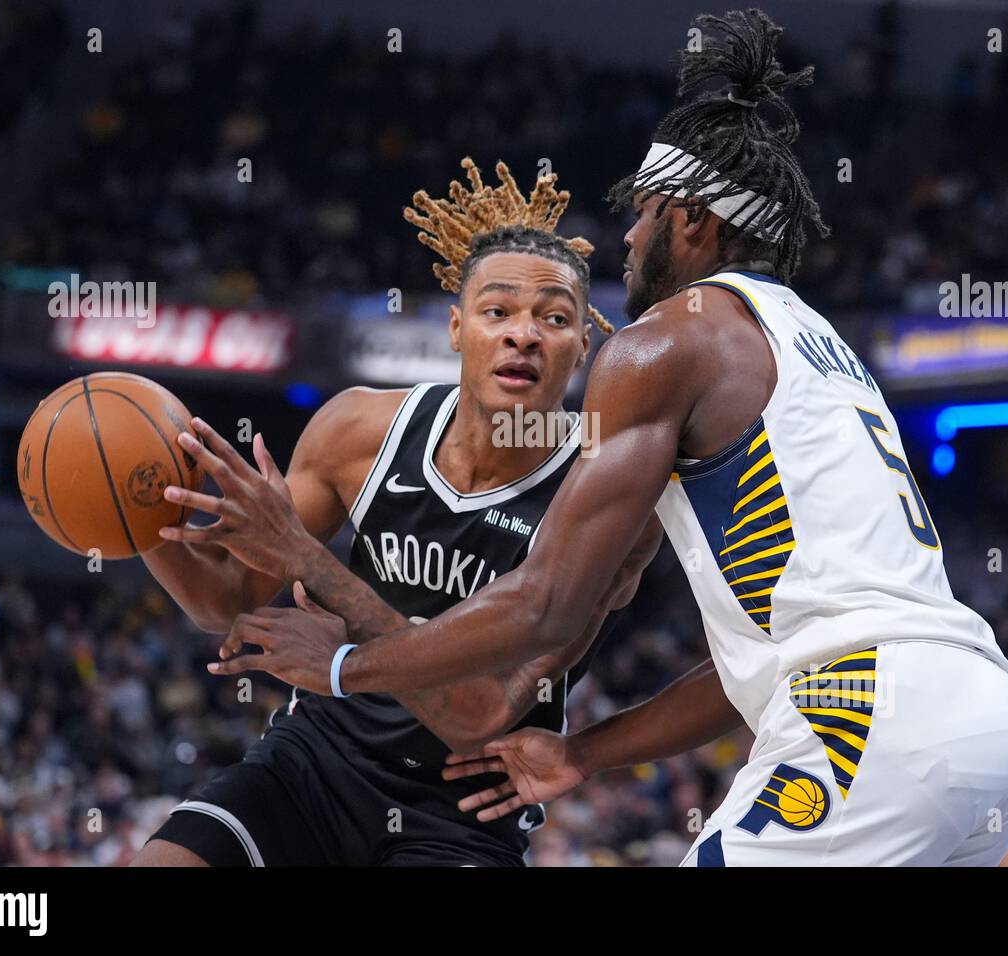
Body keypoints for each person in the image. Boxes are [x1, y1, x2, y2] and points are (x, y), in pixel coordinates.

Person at [217, 9, 1008, 866]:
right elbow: (748, 667)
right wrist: (583, 752)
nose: (630, 240)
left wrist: (346, 664)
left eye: (643, 217)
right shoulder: (823, 353)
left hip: (866, 714)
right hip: (982, 722)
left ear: (690, 221)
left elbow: (546, 602)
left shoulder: (664, 341)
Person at [131, 158, 660, 866]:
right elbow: (226, 600)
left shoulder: (610, 491)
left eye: (555, 319)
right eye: (497, 311)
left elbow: (477, 716)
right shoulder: (359, 430)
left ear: (584, 347)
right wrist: (133, 516)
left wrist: (321, 587)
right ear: (455, 329)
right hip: (312, 764)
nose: (524, 335)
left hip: (462, 811)